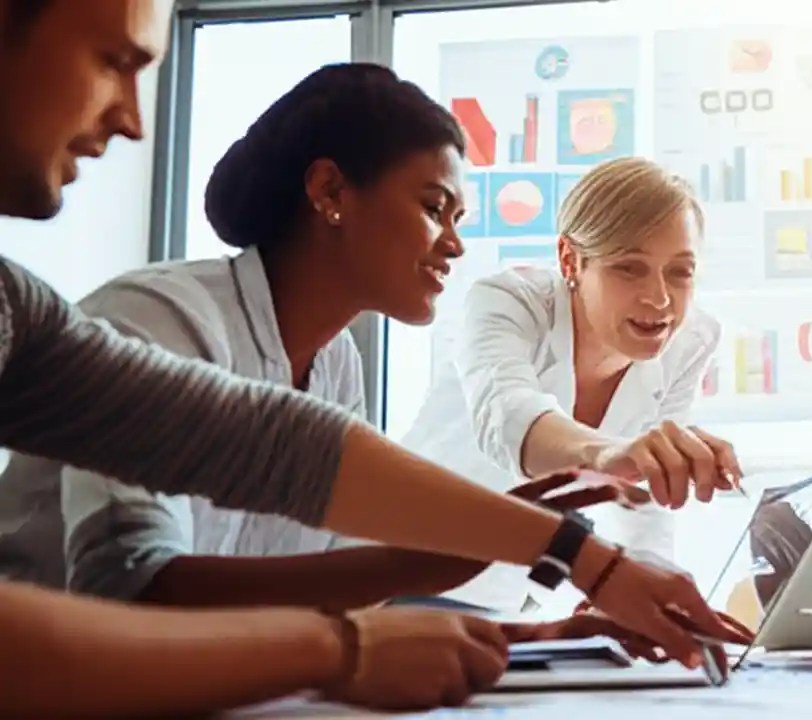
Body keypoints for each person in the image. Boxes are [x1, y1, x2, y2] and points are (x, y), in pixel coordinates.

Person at [0, 1, 744, 715]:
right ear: (330, 192)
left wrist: (539, 622)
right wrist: (551, 550)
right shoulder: (158, 318)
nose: (453, 243)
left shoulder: (333, 365)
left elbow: (289, 463)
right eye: (432, 208)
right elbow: (139, 591)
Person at [402, 156, 742, 612]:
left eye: (680, 272)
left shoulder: (691, 339)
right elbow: (507, 420)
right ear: (570, 259)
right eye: (629, 267)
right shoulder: (507, 302)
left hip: (516, 598)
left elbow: (648, 507)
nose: (660, 298)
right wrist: (610, 456)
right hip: (406, 575)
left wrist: (656, 603)